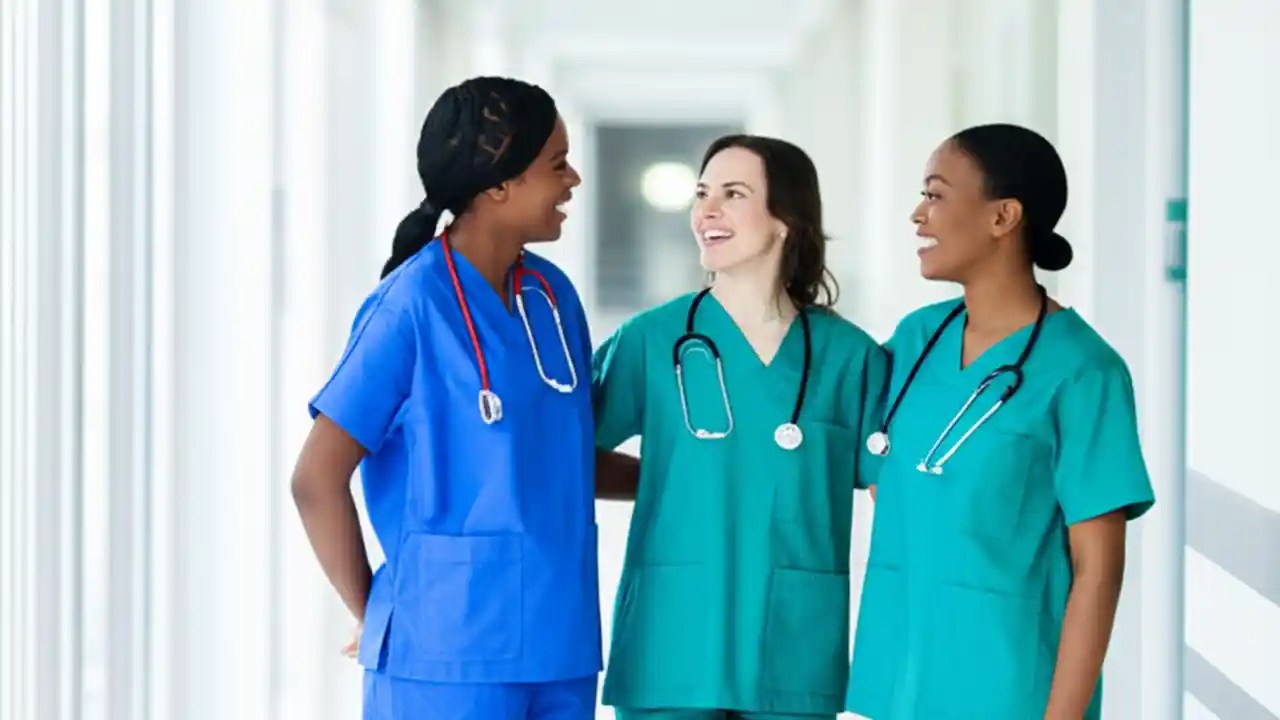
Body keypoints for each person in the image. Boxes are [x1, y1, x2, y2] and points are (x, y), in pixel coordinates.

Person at [291, 76, 632, 720]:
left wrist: (694, 477)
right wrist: (382, 615)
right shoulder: (409, 308)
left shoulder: (552, 299)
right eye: (557, 165)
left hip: (560, 648)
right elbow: (316, 478)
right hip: (442, 658)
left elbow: (563, 461)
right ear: (499, 183)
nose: (574, 182)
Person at [845, 123, 1156, 720]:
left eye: (936, 195)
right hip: (901, 684)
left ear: (1002, 216)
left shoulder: (1083, 370)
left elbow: (1098, 569)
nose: (918, 215)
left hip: (1010, 688)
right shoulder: (914, 341)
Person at [592, 134, 889, 720]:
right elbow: (561, 456)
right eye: (702, 194)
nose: (707, 211)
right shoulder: (651, 341)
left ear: (786, 219)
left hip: (793, 645)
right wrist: (666, 482)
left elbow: (894, 494)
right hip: (673, 642)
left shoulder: (851, 358)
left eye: (733, 194)